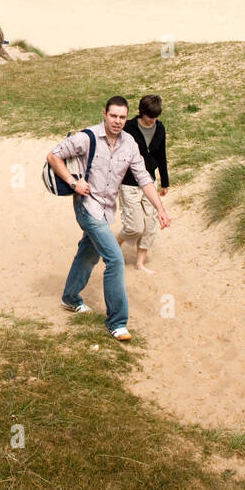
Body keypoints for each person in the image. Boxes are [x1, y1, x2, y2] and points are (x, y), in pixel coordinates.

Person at [49, 96, 170, 343]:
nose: (117, 121)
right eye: (113, 116)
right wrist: (74, 182)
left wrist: (160, 208)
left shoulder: (130, 144)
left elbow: (144, 178)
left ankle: (70, 298)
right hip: (86, 208)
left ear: (127, 118)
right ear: (105, 113)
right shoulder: (87, 137)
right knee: (114, 259)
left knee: (89, 253)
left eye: (122, 117)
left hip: (106, 210)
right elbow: (54, 156)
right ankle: (117, 323)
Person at [117, 94, 170, 273]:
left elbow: (161, 155)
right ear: (141, 113)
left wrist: (165, 181)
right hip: (128, 183)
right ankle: (114, 246)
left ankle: (140, 263)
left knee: (150, 226)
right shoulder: (128, 128)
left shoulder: (160, 128)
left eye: (156, 118)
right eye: (149, 118)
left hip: (150, 183)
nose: (152, 121)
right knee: (135, 227)